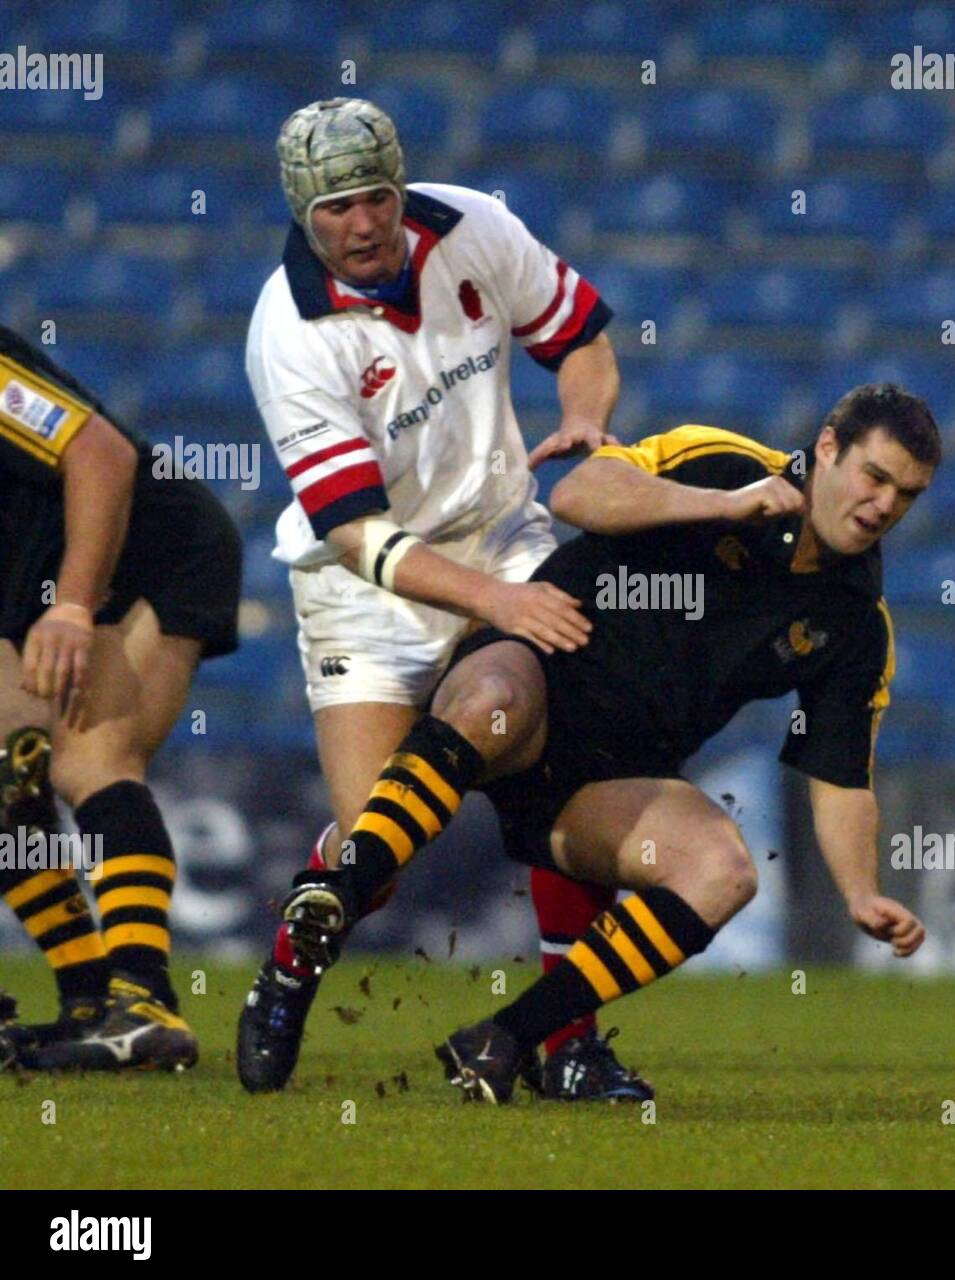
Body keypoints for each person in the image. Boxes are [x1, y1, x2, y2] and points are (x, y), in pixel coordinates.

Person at [274, 382, 939, 1102]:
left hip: (595, 786)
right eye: (876, 477)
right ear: (831, 447)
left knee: (723, 871)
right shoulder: (725, 464)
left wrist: (862, 892)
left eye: (906, 495)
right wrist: (721, 506)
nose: (883, 507)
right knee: (488, 702)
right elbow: (580, 495)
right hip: (533, 688)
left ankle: (503, 1040)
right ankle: (337, 895)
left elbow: (841, 777)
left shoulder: (856, 624)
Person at [237, 96, 651, 1100]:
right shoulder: (289, 334)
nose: (364, 223)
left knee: (567, 774)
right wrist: (495, 607)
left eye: (376, 195)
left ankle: (566, 1043)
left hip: (506, 543)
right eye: (336, 208)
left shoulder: (473, 226)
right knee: (377, 855)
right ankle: (295, 960)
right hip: (365, 590)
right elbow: (359, 532)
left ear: (401, 184)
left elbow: (581, 330)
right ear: (303, 211)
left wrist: (587, 419)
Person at [0, 323, 242, 1070]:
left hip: (149, 547)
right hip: (34, 577)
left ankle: (143, 1003)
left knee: (88, 761)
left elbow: (99, 453)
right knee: (7, 776)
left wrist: (71, 606)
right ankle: (89, 1000)